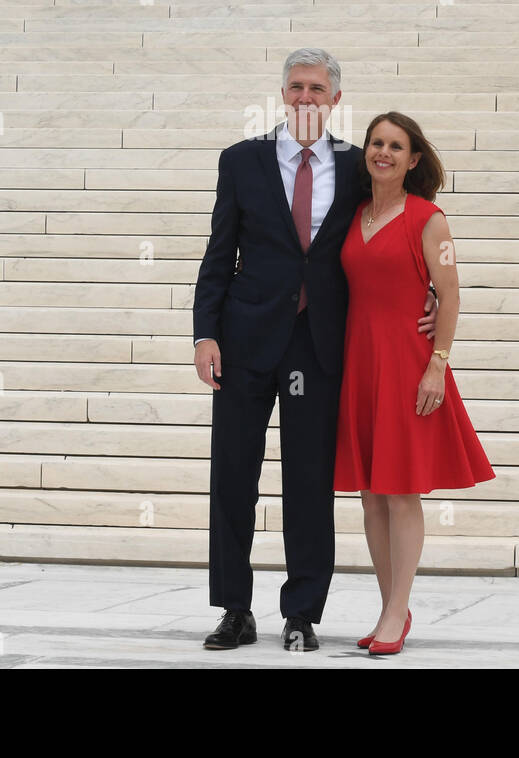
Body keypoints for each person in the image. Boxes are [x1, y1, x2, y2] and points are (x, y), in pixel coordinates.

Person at [192, 49, 437, 652]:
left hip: (320, 345)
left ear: (335, 99)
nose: (306, 98)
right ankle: (234, 609)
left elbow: (398, 223)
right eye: (296, 88)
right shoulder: (241, 161)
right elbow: (220, 253)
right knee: (233, 479)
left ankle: (301, 612)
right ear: (283, 96)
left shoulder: (361, 166)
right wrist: (205, 334)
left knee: (308, 484)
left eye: (317, 88)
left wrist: (428, 294)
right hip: (245, 341)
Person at [333, 111, 494, 656]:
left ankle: (396, 612)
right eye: (376, 143)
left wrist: (437, 365)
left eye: (395, 146)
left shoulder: (429, 218)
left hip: (406, 363)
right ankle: (390, 610)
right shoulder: (353, 214)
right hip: (359, 363)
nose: (383, 153)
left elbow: (449, 293)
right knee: (370, 496)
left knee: (400, 492)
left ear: (413, 159)